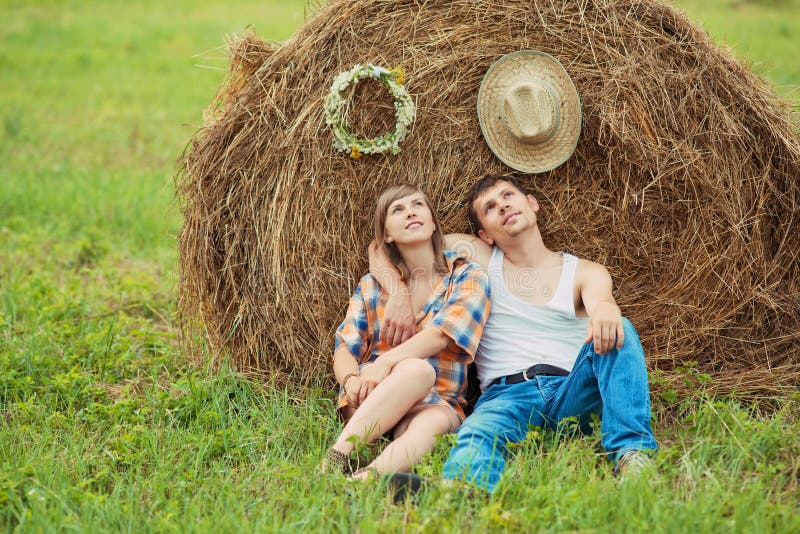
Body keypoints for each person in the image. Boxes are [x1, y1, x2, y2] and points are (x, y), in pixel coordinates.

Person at [369, 51, 658, 493]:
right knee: (481, 430)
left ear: (532, 204)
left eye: (509, 196)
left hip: (571, 392)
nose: (503, 205)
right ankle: (459, 492)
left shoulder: (584, 271)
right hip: (506, 394)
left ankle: (631, 455)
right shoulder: (480, 259)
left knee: (622, 329)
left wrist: (606, 309)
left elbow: (602, 301)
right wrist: (396, 292)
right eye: (489, 207)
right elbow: (380, 247)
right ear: (482, 233)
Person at [324, 184, 491, 478]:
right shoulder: (372, 286)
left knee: (433, 421)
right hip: (373, 396)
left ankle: (365, 480)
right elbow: (344, 348)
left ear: (433, 220)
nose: (410, 211)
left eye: (418, 205)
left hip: (438, 399)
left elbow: (443, 334)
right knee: (416, 370)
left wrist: (385, 362)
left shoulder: (467, 276)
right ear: (386, 233)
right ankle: (336, 458)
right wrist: (351, 381)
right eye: (397, 209)